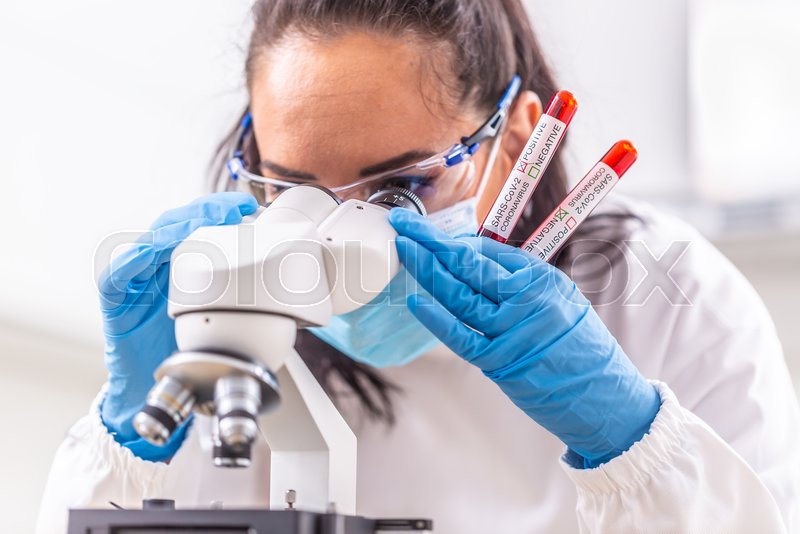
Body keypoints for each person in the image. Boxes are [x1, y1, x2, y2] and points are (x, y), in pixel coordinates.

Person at [37, 1, 800, 532]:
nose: (338, 236)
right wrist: (125, 447)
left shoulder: (676, 301)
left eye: (401, 188)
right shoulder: (240, 310)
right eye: (293, 189)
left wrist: (633, 444)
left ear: (515, 141)